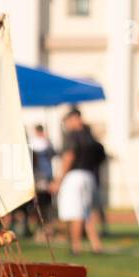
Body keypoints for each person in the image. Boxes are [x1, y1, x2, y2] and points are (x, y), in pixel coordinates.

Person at [53, 108, 104, 254]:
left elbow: (69, 156)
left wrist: (58, 180)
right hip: (90, 176)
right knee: (87, 212)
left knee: (76, 213)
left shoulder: (72, 136)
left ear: (74, 119)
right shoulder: (90, 136)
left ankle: (76, 247)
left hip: (74, 176)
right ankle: (96, 245)